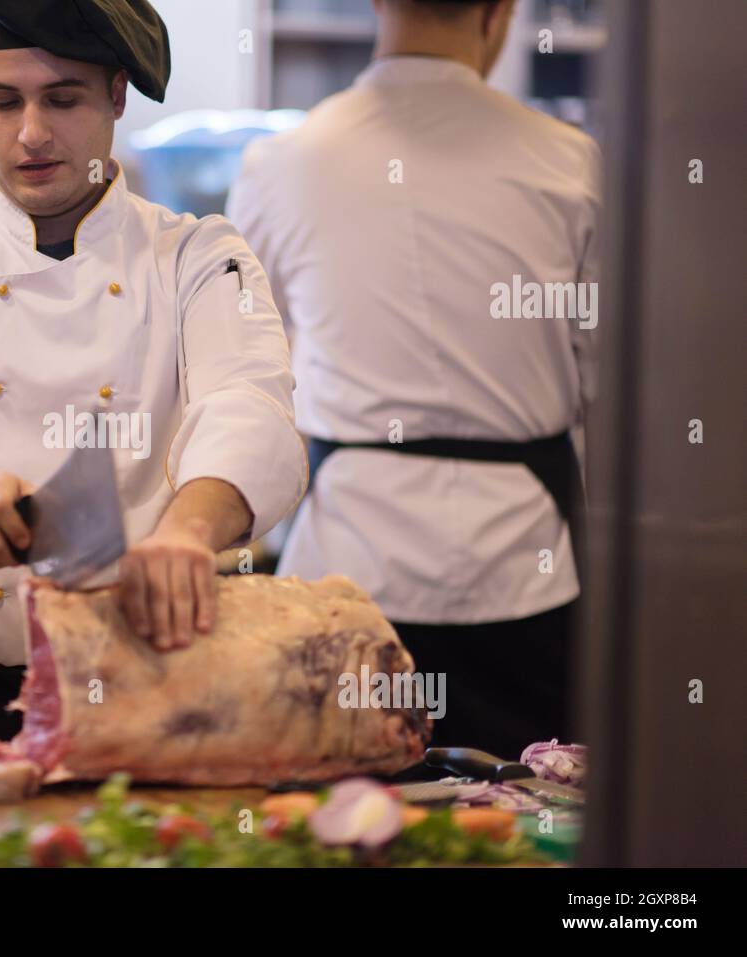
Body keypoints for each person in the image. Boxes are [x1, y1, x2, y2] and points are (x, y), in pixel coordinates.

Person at [0, 0, 307, 759]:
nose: (31, 133)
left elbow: (251, 409)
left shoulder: (198, 258)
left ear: (115, 97)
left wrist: (186, 536)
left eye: (62, 99)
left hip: (142, 693)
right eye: (3, 101)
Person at [226, 0, 600, 759]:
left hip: (348, 576)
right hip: (525, 568)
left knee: (340, 821)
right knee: (527, 815)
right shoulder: (572, 161)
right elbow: (611, 380)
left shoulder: (281, 162)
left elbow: (253, 371)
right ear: (501, 13)